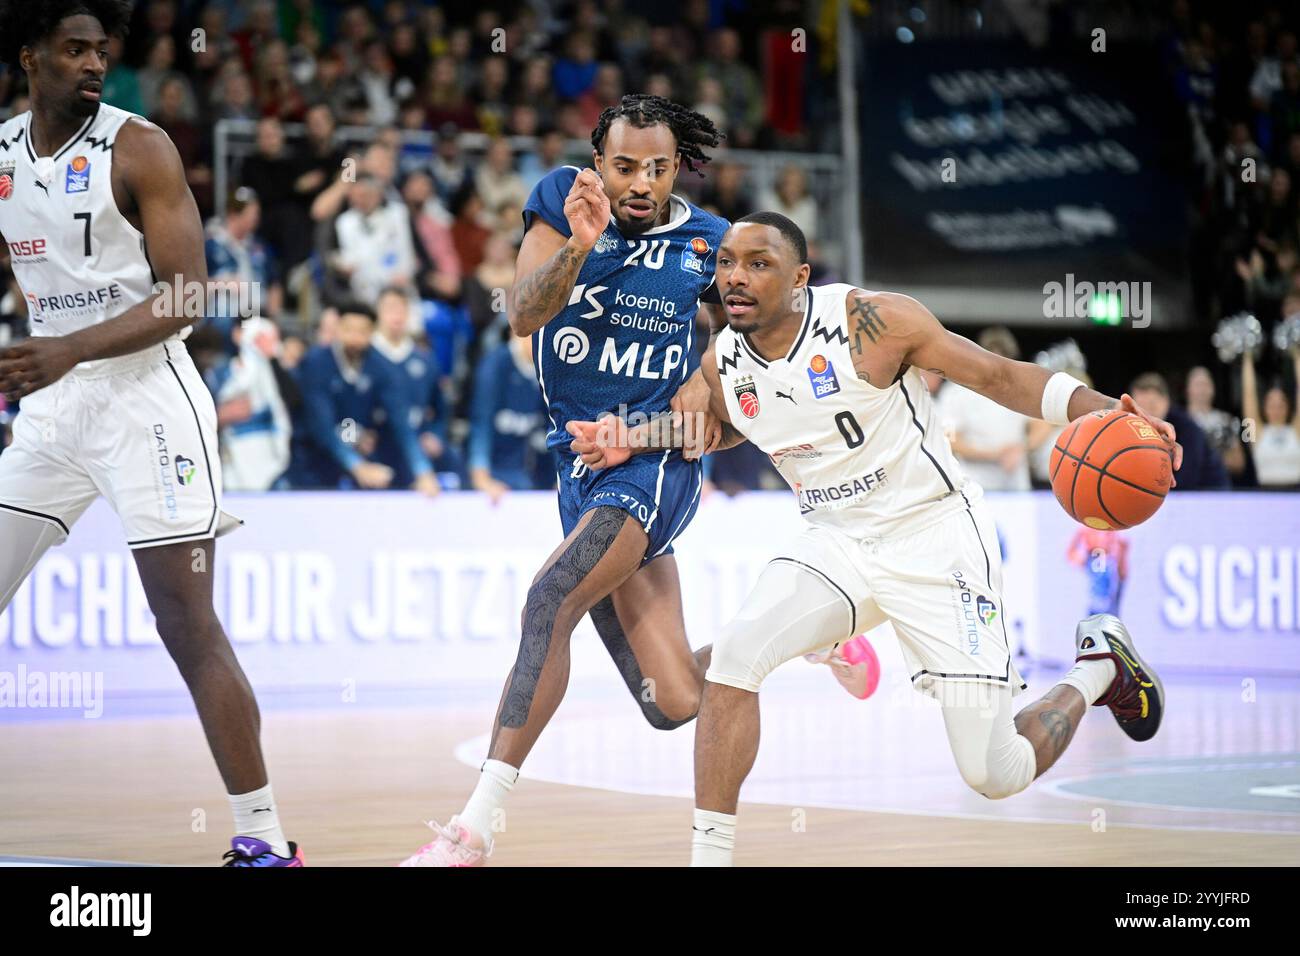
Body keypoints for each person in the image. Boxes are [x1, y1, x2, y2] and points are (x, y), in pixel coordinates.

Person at [569, 213, 1182, 867]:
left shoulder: (872, 323)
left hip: (935, 536)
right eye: (725, 263)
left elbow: (1000, 377)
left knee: (994, 772)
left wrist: (1108, 412)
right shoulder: (724, 361)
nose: (734, 278)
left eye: (757, 263)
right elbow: (720, 428)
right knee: (735, 658)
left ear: (800, 278)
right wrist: (632, 436)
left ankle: (1099, 668)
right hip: (835, 541)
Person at [400, 97, 863, 868]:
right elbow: (523, 314)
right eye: (624, 167)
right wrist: (579, 248)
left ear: (677, 165)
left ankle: (473, 829)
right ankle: (813, 635)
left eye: (657, 166)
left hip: (651, 467)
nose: (641, 182)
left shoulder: (714, 246)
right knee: (674, 699)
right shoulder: (560, 199)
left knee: (550, 600)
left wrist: (701, 385)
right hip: (576, 464)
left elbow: (759, 370)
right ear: (597, 163)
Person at [0, 0, 300, 866]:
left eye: (102, 51)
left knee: (186, 623)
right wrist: (51, 360)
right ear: (30, 57)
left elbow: (188, 297)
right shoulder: (7, 158)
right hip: (54, 409)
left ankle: (266, 840)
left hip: (147, 404)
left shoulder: (140, 147)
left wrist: (73, 349)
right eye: (74, 50)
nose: (94, 64)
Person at [287, 302, 437, 495]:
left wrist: (422, 470)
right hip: (312, 457)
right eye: (349, 329)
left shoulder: (380, 366)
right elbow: (321, 426)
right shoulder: (316, 364)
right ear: (338, 329)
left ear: (372, 333)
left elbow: (401, 420)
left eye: (363, 331)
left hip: (357, 451)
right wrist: (357, 465)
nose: (355, 338)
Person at [467, 330, 551, 501]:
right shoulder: (496, 363)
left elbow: (552, 426)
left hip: (520, 471)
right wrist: (481, 476)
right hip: (491, 469)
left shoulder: (545, 368)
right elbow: (481, 421)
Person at [1129, 372, 1229, 490]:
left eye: (1152, 405)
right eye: (1140, 408)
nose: (1146, 414)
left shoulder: (1187, 428)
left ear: (1166, 402)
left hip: (1211, 494)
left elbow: (1187, 478)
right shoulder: (1132, 429)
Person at [1241, 346, 1300, 488]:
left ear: (1288, 407)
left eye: (1280, 404)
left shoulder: (1296, 431)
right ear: (1264, 408)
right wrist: (1248, 356)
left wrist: (1297, 354)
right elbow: (1249, 394)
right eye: (1272, 405)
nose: (1276, 409)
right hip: (1266, 496)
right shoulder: (1258, 433)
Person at [1066, 528, 1129, 617]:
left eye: (1106, 535)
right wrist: (1079, 535)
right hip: (1094, 612)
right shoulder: (1090, 559)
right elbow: (1070, 555)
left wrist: (1122, 551)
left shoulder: (1113, 561)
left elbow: (1122, 574)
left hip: (1110, 614)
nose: (1102, 538)